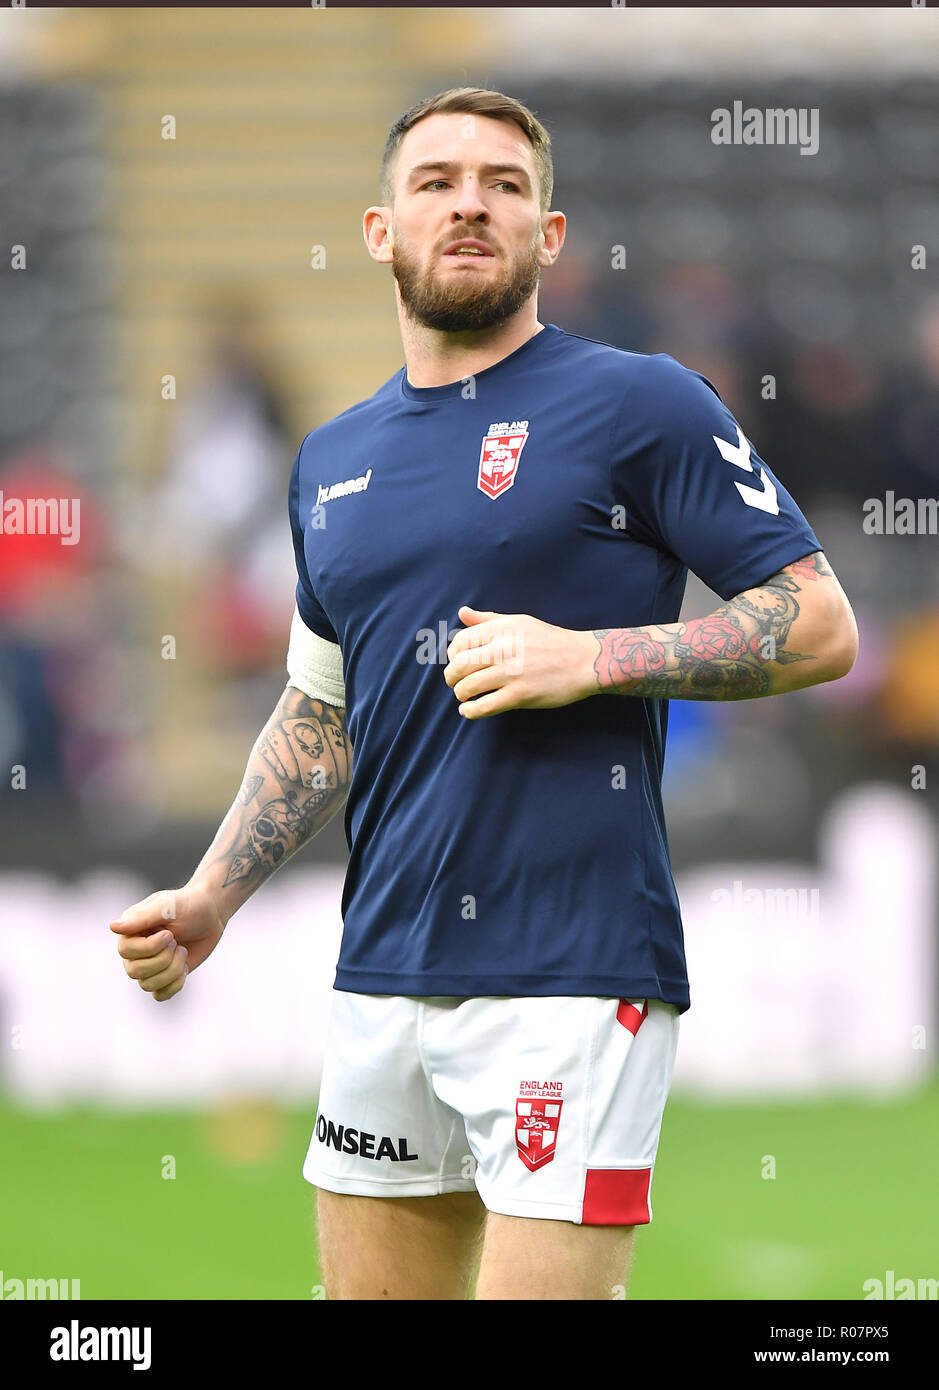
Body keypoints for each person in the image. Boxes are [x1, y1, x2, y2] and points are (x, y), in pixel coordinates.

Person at [109, 87, 858, 1301]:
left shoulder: (640, 401)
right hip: (382, 969)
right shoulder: (331, 460)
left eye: (505, 185)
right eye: (438, 180)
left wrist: (594, 655)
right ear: (378, 228)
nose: (470, 201)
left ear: (547, 238)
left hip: (571, 969)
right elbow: (317, 711)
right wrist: (210, 895)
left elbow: (821, 622)